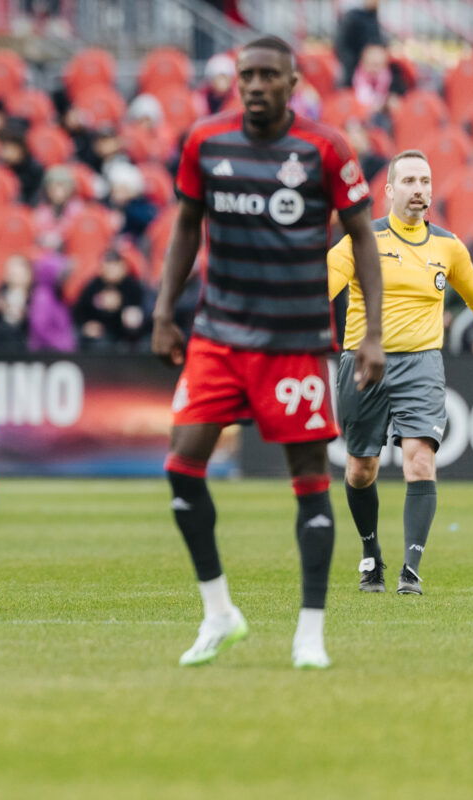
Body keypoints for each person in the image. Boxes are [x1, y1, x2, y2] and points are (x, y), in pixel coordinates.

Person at [151, 36, 385, 670]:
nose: (253, 85)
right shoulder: (206, 141)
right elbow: (185, 226)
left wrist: (372, 333)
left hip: (295, 343)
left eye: (266, 76)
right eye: (245, 75)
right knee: (181, 470)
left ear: (292, 81)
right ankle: (219, 613)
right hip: (218, 337)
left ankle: (309, 632)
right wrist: (164, 310)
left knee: (309, 483)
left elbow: (363, 236)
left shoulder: (326, 148)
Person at [328, 150, 473, 596]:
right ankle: (370, 551)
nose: (419, 189)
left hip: (422, 363)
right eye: (409, 180)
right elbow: (325, 282)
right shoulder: (361, 239)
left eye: (426, 181)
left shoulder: (448, 246)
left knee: (420, 460)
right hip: (364, 362)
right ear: (389, 190)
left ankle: (411, 569)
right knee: (360, 469)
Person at [74, 248, 146, 350]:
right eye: (107, 265)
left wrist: (122, 305)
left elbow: (143, 311)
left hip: (126, 335)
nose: (111, 270)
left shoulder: (133, 286)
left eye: (115, 265)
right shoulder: (93, 286)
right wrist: (86, 325)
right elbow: (78, 311)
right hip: (100, 335)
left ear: (123, 267)